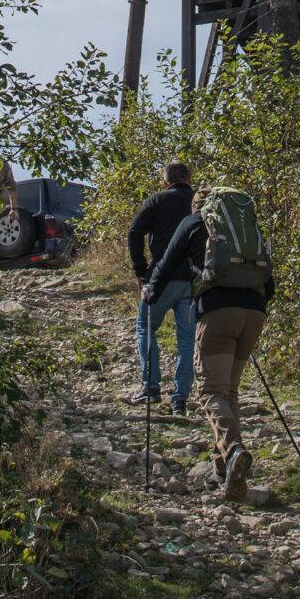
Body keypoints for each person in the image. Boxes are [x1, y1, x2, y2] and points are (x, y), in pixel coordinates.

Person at [141, 186, 273, 502]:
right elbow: (269, 282)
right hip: (253, 313)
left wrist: (151, 294)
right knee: (227, 391)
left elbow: (166, 262)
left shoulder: (193, 222)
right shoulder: (245, 229)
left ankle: (233, 451)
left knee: (211, 392)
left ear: (198, 206)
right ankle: (222, 472)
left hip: (217, 313)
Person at [127, 160, 197, 415]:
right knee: (187, 338)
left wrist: (141, 270)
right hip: (191, 279)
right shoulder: (199, 203)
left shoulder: (157, 200)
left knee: (145, 326)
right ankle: (180, 398)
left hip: (161, 277)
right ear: (189, 180)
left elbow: (134, 231)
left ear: (165, 181)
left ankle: (151, 386)